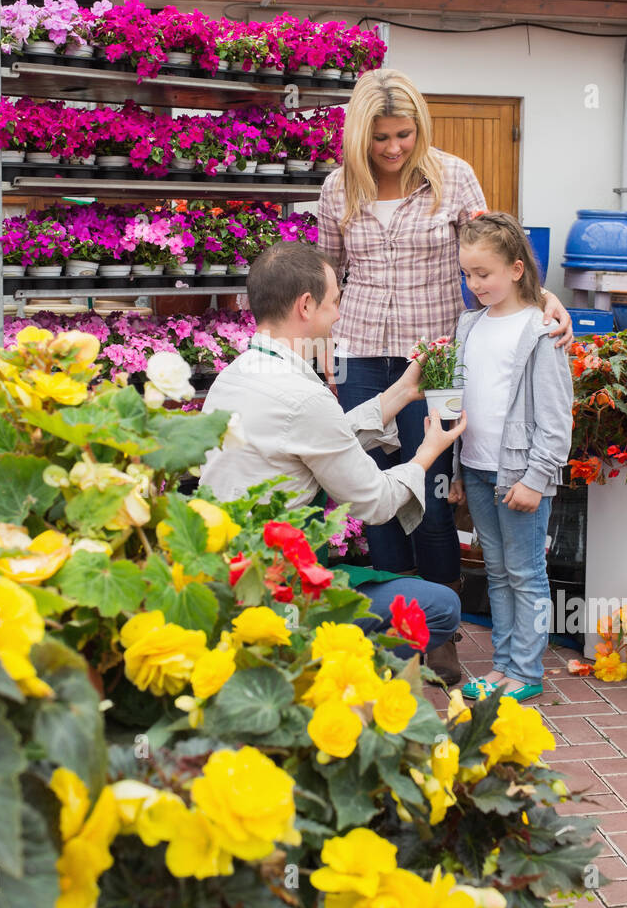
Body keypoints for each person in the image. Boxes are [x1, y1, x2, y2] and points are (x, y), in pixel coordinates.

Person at [317, 68, 572, 589]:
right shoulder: (337, 188)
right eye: (380, 137)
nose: (392, 148)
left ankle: (440, 618)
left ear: (420, 128)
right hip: (359, 355)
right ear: (359, 134)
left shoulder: (453, 177)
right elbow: (326, 271)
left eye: (403, 134)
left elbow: (498, 248)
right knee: (372, 488)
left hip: (435, 359)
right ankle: (394, 608)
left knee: (432, 491)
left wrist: (543, 297)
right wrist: (319, 343)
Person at [200, 241, 466, 666]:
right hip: (278, 589)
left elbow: (320, 437)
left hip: (228, 571)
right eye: (335, 302)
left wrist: (400, 393)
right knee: (441, 608)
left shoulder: (236, 374)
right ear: (306, 305)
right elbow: (376, 502)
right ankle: (321, 666)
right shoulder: (303, 396)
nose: (339, 315)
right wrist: (426, 454)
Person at [448, 212, 573, 702]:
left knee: (527, 573)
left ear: (516, 270)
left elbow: (556, 417)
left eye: (484, 274)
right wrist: (458, 470)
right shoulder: (469, 324)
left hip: (520, 475)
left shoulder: (541, 330)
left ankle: (528, 670)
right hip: (478, 471)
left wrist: (537, 477)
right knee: (496, 571)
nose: (474, 284)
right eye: (467, 274)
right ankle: (503, 667)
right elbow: (462, 399)